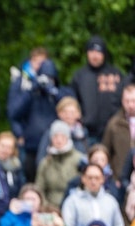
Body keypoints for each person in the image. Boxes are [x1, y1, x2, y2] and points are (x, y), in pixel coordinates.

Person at [7, 47, 64, 180]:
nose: (39, 65)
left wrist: (51, 90)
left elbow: (66, 107)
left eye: (43, 62)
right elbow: (14, 112)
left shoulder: (54, 86)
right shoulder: (21, 83)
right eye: (36, 61)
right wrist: (19, 134)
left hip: (51, 142)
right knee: (27, 177)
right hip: (28, 143)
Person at [69, 36, 123, 143]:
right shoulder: (79, 76)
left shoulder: (115, 74)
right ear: (87, 53)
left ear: (104, 54)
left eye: (98, 52)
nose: (95, 55)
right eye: (91, 51)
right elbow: (72, 101)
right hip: (87, 132)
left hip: (112, 130)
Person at [61, 166, 126, 226]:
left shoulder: (111, 202)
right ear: (83, 179)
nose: (93, 181)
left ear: (103, 179)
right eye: (90, 178)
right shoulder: (72, 201)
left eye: (97, 178)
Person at [35, 120, 84, 210]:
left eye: (62, 136)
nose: (59, 140)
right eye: (55, 136)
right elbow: (39, 189)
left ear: (68, 138)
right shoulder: (45, 163)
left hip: (75, 206)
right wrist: (47, 208)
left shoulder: (79, 159)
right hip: (51, 207)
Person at [100, 84, 135, 180]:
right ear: (122, 101)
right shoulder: (114, 123)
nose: (130, 105)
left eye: (133, 101)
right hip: (119, 177)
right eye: (127, 101)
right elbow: (105, 150)